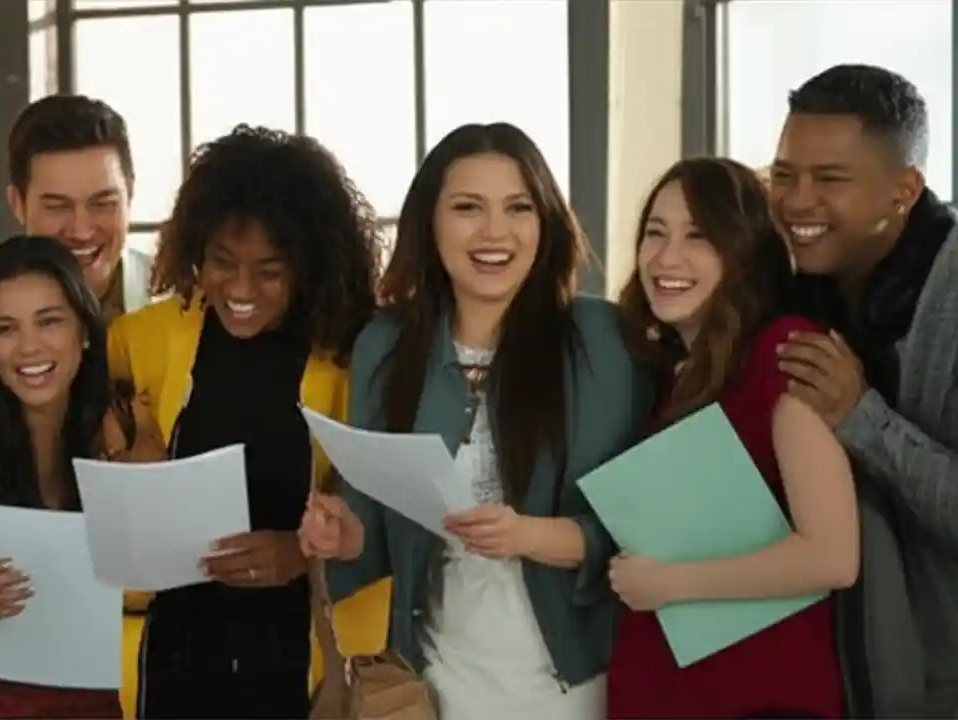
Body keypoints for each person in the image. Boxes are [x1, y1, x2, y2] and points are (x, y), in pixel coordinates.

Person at [298, 122, 652, 719]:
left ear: (545, 222)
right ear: (430, 223)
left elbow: (647, 526)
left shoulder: (607, 342)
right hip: (431, 681)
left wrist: (532, 536)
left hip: (577, 681)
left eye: (519, 207)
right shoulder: (385, 345)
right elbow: (378, 523)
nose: (495, 232)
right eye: (468, 208)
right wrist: (343, 535)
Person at [107, 124, 382, 718]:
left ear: (308, 264)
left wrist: (298, 552)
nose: (241, 289)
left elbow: (383, 511)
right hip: (179, 652)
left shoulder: (350, 357)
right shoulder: (142, 340)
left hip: (306, 656)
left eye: (270, 270)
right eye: (222, 263)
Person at [604, 157, 858, 718]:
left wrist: (671, 582)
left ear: (742, 251)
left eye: (698, 236)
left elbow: (833, 556)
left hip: (759, 695)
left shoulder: (784, 354)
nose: (667, 257)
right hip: (670, 686)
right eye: (655, 233)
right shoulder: (664, 373)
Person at [770, 63, 958, 718]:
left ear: (904, 191)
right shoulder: (792, 290)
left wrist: (861, 418)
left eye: (830, 180)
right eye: (785, 174)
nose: (797, 201)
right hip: (836, 681)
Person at [0, 235, 156, 719]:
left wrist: (143, 438)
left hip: (95, 695)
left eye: (49, 321)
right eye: (5, 329)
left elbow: (153, 566)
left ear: (84, 331)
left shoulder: (116, 425)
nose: (29, 347)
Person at [0, 94, 152, 352]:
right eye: (58, 207)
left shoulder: (188, 302)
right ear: (17, 204)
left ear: (130, 194)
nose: (81, 231)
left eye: (102, 203)